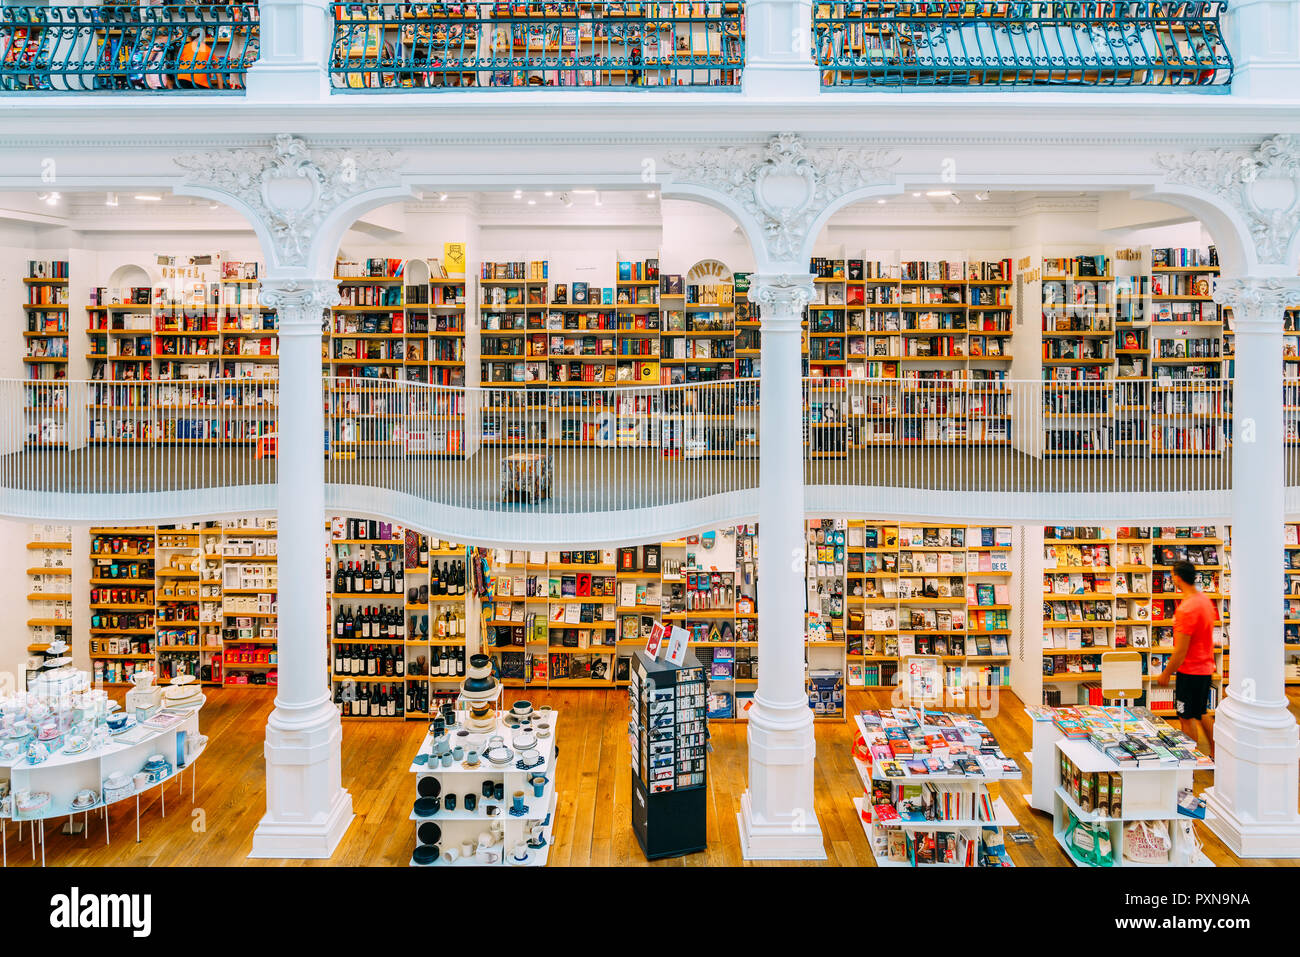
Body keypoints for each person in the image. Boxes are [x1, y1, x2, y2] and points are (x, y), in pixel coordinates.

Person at [1156, 560, 1216, 757]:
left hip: (1190, 671)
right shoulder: (1204, 601)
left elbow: (1181, 650)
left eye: (1173, 575)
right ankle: (1216, 753)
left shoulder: (1186, 609)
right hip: (1205, 667)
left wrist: (1165, 673)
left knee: (1185, 717)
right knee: (1202, 712)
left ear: (1177, 578)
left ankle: (1190, 758)